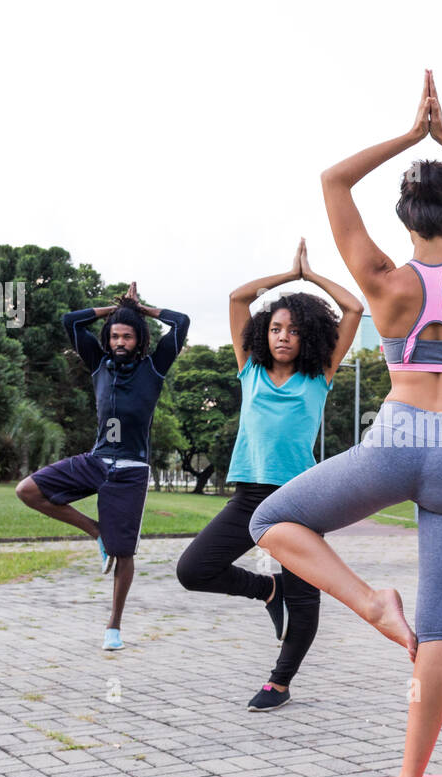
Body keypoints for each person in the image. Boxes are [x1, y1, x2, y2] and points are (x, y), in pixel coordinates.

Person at [248, 71, 442, 777]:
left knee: (269, 523)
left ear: (406, 218)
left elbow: (334, 179)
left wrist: (412, 135)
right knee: (441, 626)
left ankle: (372, 605)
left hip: (396, 438)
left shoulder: (379, 278)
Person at [175, 239, 361, 711]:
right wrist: (286, 276)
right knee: (193, 569)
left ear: (308, 338)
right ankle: (266, 589)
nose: (282, 337)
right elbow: (238, 299)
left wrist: (311, 277)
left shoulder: (319, 374)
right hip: (250, 495)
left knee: (306, 597)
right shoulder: (249, 370)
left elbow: (354, 307)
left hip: (299, 500)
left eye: (294, 331)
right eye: (276, 328)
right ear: (265, 332)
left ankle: (279, 683)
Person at [16, 283, 189, 651]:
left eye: (127, 336)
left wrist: (143, 311)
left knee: (124, 552)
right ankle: (96, 533)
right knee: (27, 490)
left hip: (131, 469)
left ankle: (114, 626)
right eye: (114, 336)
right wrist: (110, 311)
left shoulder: (154, 367)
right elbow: (70, 321)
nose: (120, 342)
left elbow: (182, 322)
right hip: (96, 460)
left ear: (139, 339)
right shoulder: (99, 363)